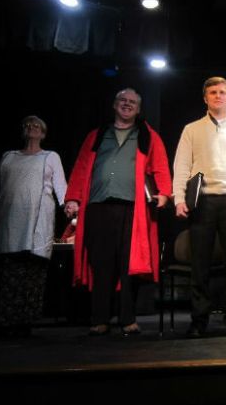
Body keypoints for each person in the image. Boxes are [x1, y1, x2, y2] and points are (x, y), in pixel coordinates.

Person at [64, 88, 171, 336]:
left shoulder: (147, 135)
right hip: (98, 206)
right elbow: (81, 167)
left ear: (139, 109)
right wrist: (73, 198)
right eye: (123, 100)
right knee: (101, 264)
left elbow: (160, 166)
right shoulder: (97, 135)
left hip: (132, 209)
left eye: (132, 102)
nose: (127, 104)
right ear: (114, 104)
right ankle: (100, 318)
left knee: (128, 264)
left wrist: (165, 192)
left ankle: (127, 318)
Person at [173, 76, 226, 338]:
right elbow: (181, 165)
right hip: (203, 201)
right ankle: (199, 320)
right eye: (213, 92)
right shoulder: (192, 129)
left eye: (222, 92)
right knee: (200, 264)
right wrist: (179, 199)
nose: (218, 96)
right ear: (205, 98)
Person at [0, 115, 67, 337]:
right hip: (9, 223)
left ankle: (24, 322)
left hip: (37, 223)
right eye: (28, 125)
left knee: (32, 274)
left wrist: (70, 206)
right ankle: (6, 321)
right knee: (10, 275)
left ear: (43, 133)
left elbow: (61, 188)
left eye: (36, 126)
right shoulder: (9, 157)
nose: (31, 128)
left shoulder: (50, 157)